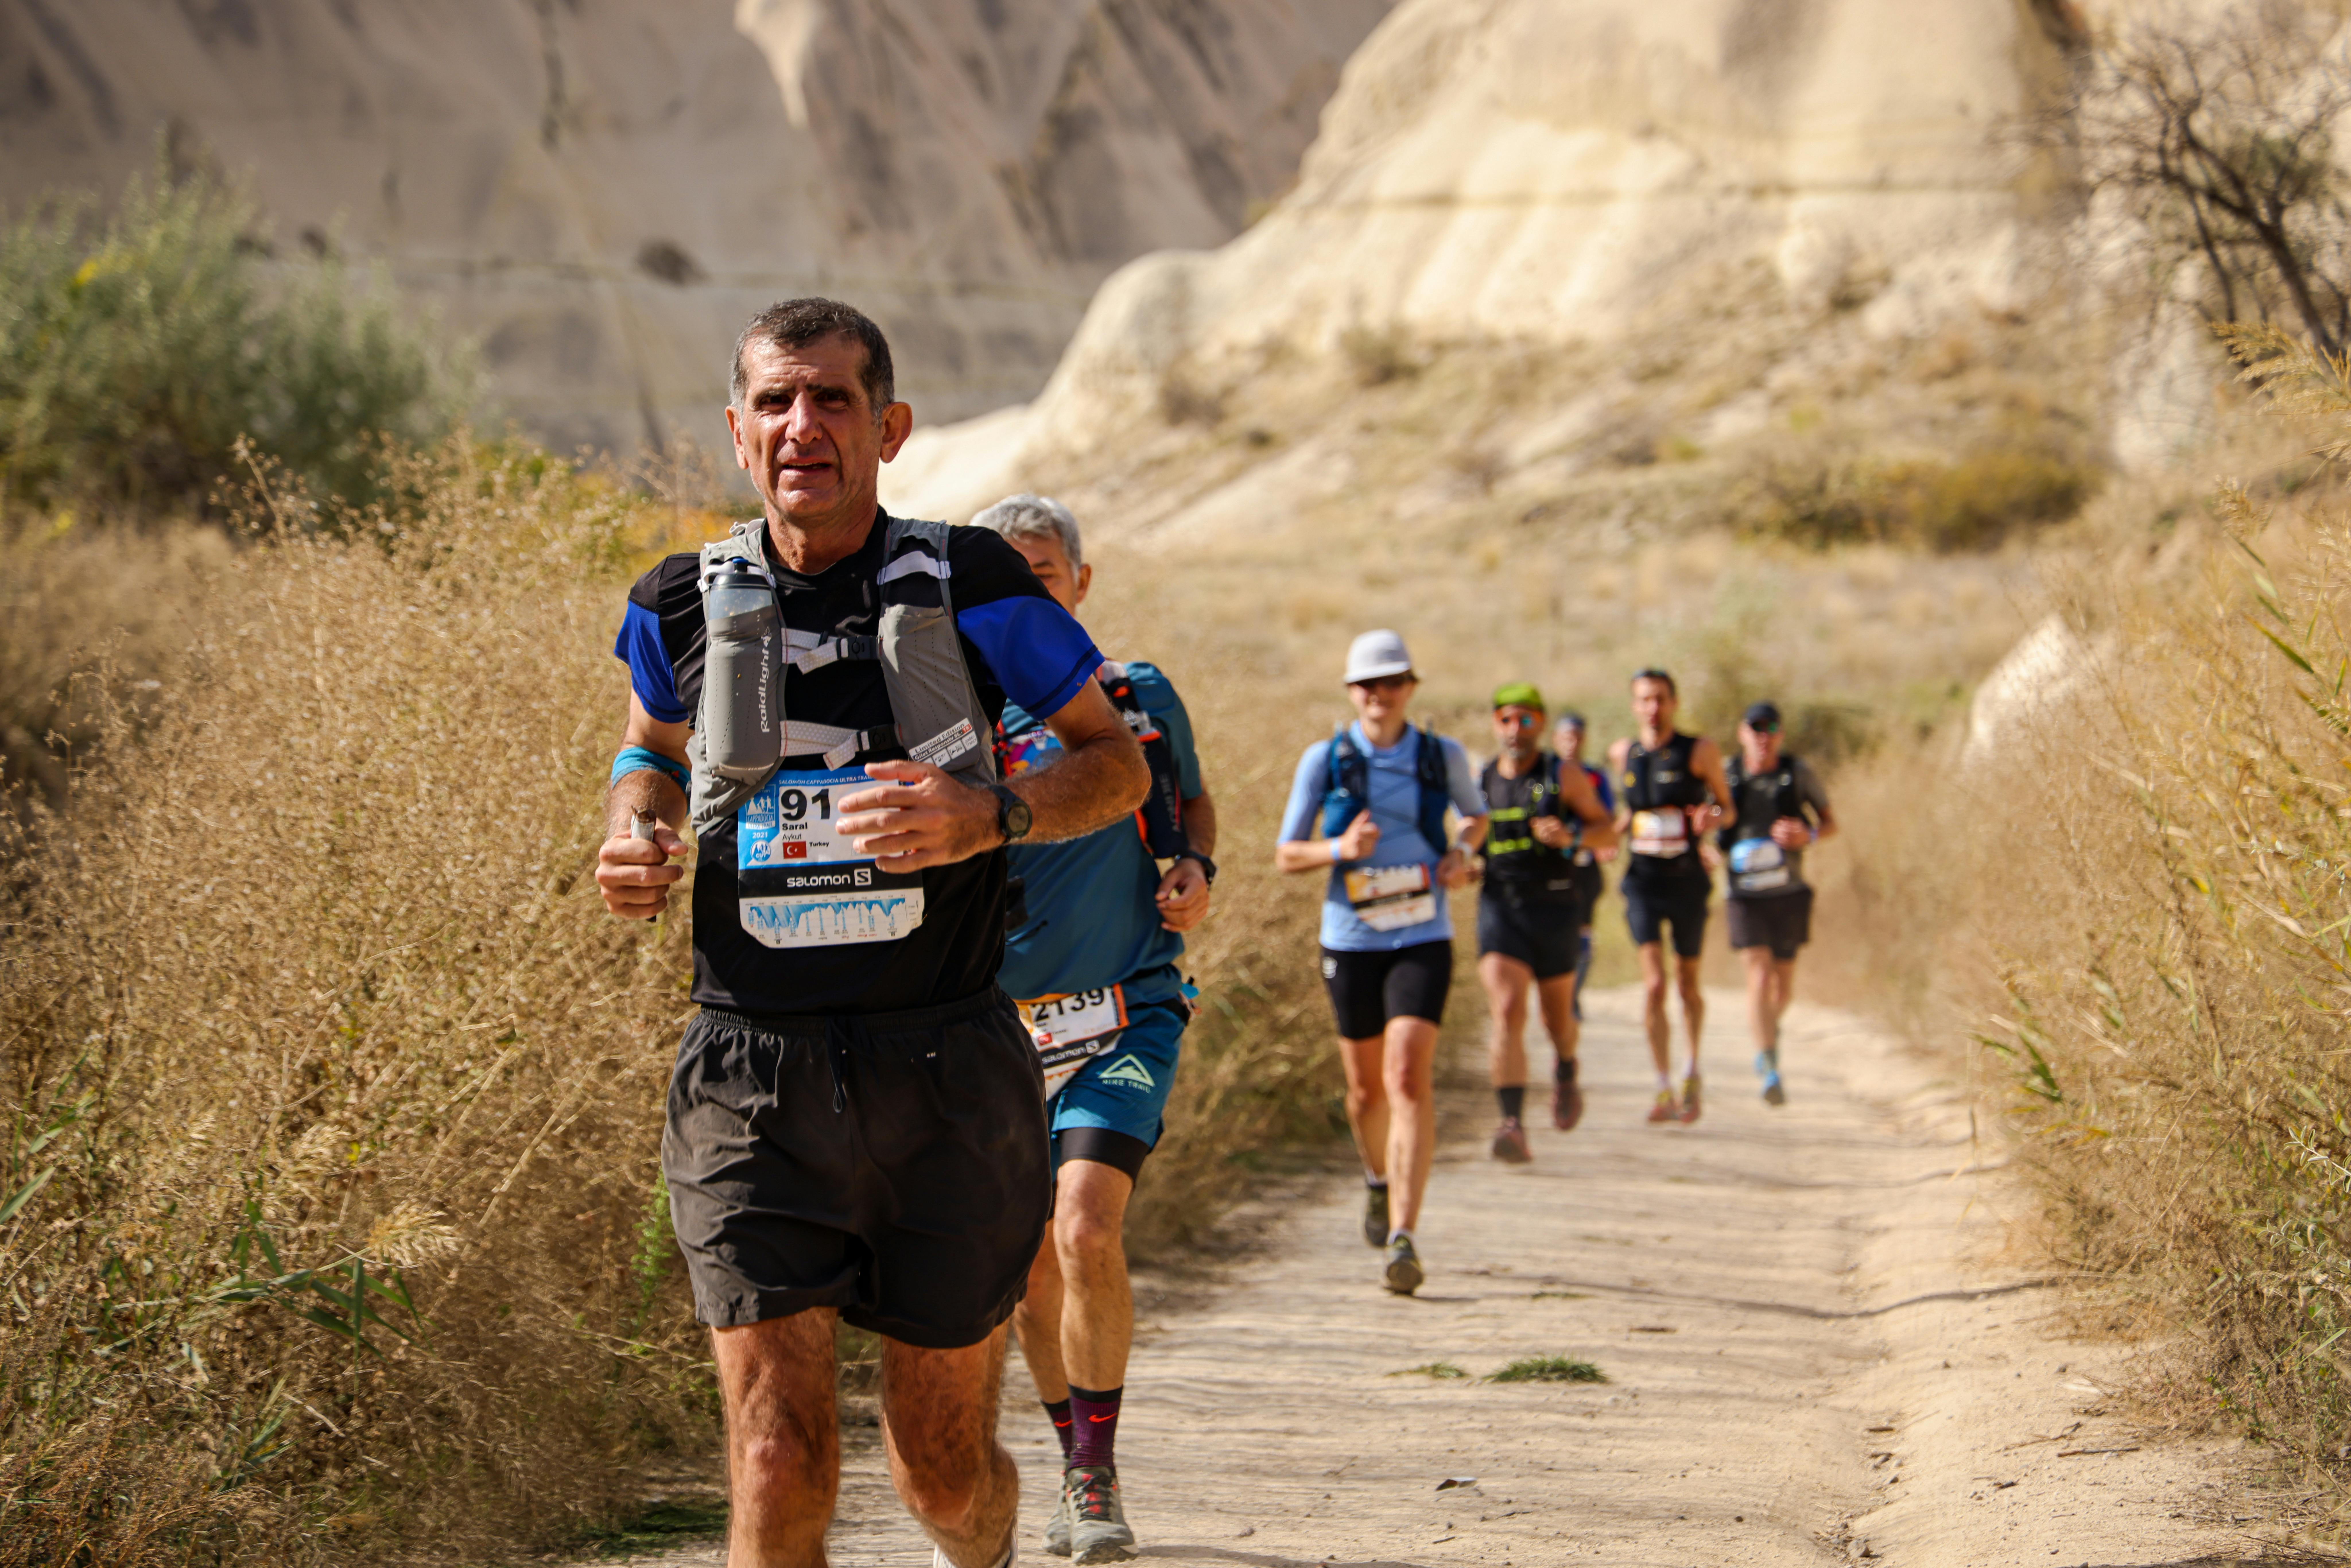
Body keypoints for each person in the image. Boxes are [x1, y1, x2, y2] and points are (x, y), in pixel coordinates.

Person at [596, 299, 1149, 1568]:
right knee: (779, 1463)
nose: (805, 426)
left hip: (948, 1074)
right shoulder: (676, 600)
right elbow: (649, 752)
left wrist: (985, 814)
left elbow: (1113, 767)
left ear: (888, 428)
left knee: (940, 1474)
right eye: (778, 402)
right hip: (750, 1074)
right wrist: (636, 829)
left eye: (834, 400)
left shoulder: (978, 585)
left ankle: (996, 1548)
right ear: (738, 433)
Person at [977, 494, 1219, 1564]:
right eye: (1007, 571)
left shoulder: (1137, 692)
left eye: (1043, 567)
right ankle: (1073, 1449)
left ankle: (1092, 1473)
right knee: (1029, 1268)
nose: (1030, 584)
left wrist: (1194, 867)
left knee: (1083, 1228)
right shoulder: (952, 708)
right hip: (996, 1027)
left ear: (1080, 580)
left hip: (1126, 1006)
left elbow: (1193, 806)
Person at [1274, 630, 1485, 1295]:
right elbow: (1287, 854)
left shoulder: (1439, 754)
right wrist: (1341, 847)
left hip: (1422, 934)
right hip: (1351, 938)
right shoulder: (1325, 759)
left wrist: (1459, 856)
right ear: (1350, 691)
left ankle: (1404, 1234)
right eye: (1368, 683)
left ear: (1410, 687)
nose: (1379, 693)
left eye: (1392, 681)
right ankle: (1376, 1178)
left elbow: (1476, 820)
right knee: (1365, 1091)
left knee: (1407, 1078)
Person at [1468, 684, 1617, 1161]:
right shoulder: (1480, 779)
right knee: (1508, 1010)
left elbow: (1607, 829)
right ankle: (1512, 1122)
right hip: (1500, 909)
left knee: (1558, 1020)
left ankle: (1567, 1067)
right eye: (1508, 719)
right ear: (1496, 724)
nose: (1517, 729)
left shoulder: (1564, 775)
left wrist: (1571, 835)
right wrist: (1464, 862)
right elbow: (1463, 838)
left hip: (1555, 909)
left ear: (1541, 724)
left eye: (1526, 720)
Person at [1606, 669, 1732, 1125]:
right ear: (1634, 706)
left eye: (1660, 699)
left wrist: (1710, 817)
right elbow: (1629, 813)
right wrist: (1609, 837)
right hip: (1642, 878)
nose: (1653, 708)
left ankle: (1692, 1071)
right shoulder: (1624, 754)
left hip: (1686, 879)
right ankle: (1662, 1085)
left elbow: (1726, 806)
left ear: (1674, 703)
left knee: (1686, 983)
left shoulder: (1699, 751)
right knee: (1655, 984)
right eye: (1644, 700)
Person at [1720, 701, 1836, 1106]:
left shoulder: (1796, 773)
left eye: (1770, 728)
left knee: (1782, 988)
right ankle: (1769, 1063)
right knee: (1759, 976)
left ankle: (1766, 1030)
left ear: (1780, 734)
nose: (1763, 736)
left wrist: (1809, 836)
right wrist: (1704, 839)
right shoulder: (1726, 774)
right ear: (1742, 733)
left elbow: (1830, 822)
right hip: (1743, 895)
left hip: (1789, 892)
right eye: (1755, 728)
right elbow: (1705, 816)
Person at [1552, 711, 1615, 1031]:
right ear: (1555, 740)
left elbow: (1607, 818)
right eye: (1566, 737)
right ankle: (1558, 996)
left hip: (1585, 869)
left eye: (1577, 737)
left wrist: (1602, 843)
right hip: (1550, 870)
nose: (1571, 743)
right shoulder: (1545, 776)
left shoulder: (1595, 777)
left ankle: (1573, 996)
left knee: (1583, 935)